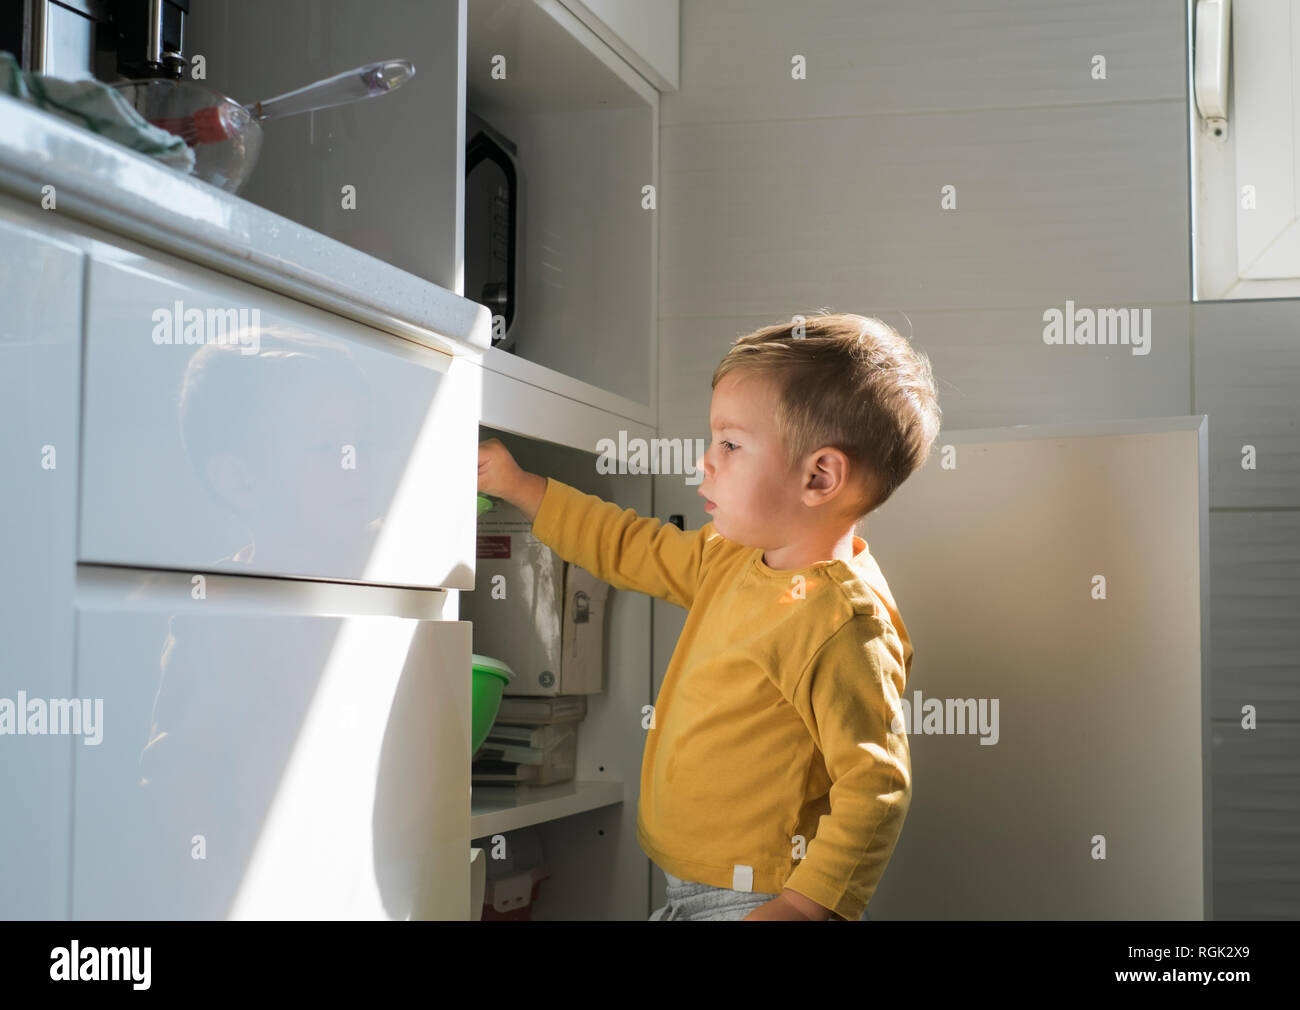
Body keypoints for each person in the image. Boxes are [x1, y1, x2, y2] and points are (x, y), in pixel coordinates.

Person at [477, 312, 941, 921]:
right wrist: (520, 485)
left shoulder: (843, 621)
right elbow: (627, 546)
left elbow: (875, 785)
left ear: (819, 475)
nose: (706, 462)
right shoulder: (732, 559)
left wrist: (805, 907)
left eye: (729, 443)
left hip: (759, 898)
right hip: (692, 886)